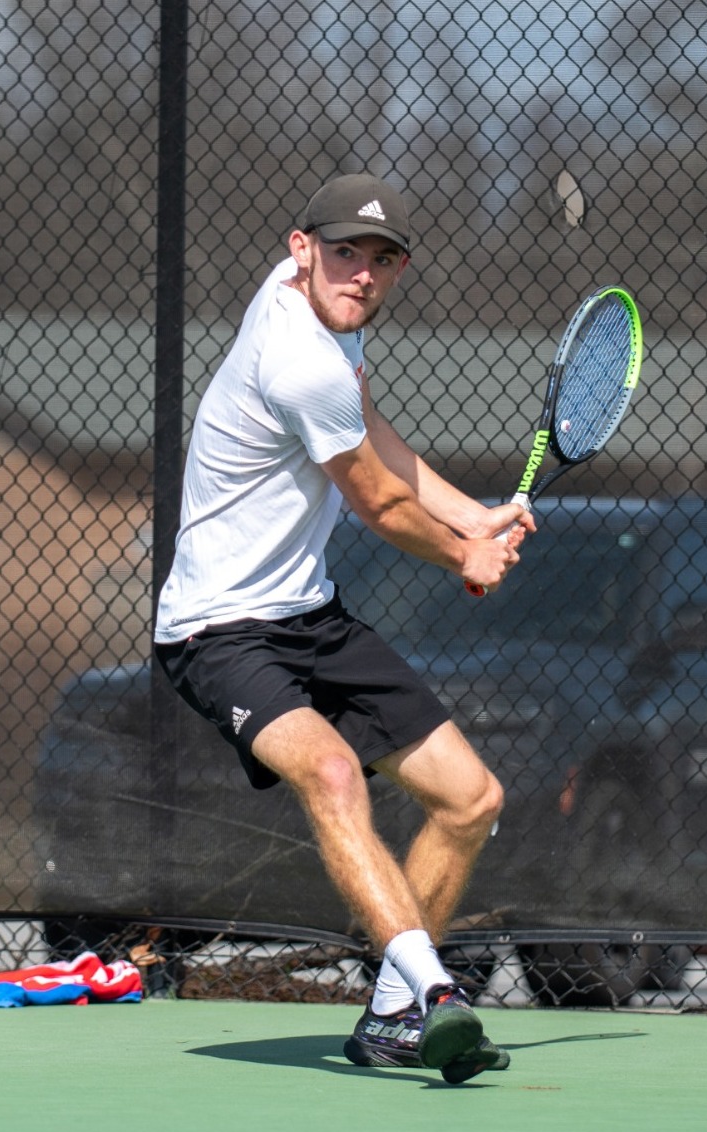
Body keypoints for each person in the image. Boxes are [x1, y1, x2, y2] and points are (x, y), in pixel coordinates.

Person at [152, 173, 534, 1083]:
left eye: (382, 259)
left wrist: (475, 516)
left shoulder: (311, 319)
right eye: (343, 253)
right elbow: (376, 503)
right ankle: (437, 991)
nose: (361, 273)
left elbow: (373, 437)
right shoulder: (300, 358)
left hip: (308, 615)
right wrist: (462, 556)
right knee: (331, 773)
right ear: (301, 249)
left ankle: (394, 1014)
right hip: (218, 631)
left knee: (471, 798)